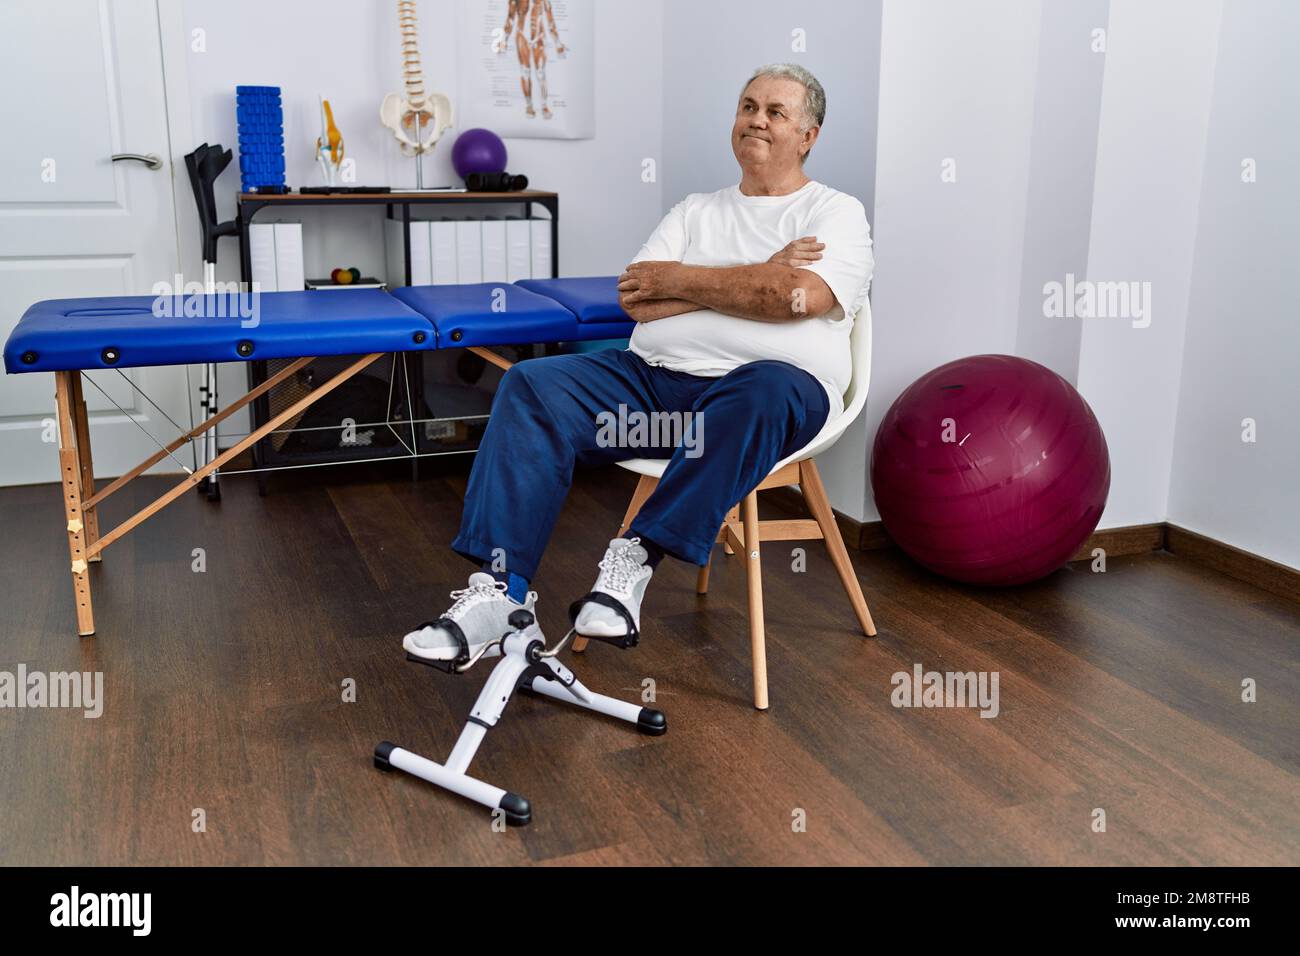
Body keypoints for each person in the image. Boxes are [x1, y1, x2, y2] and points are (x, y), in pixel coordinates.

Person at [405, 62, 874, 661]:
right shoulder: (694, 210)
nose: (756, 120)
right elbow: (637, 299)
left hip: (767, 405)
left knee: (759, 389)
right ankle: (499, 596)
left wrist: (697, 281)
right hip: (658, 402)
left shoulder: (835, 213)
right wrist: (760, 269)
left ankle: (632, 562)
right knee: (531, 384)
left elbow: (795, 297)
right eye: (747, 105)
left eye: (776, 112)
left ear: (807, 136)